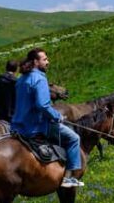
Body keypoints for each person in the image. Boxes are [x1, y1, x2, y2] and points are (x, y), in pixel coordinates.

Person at [10, 48, 83, 188]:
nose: (48, 62)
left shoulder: (20, 79)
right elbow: (43, 106)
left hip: (17, 126)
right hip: (36, 126)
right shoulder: (39, 78)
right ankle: (69, 178)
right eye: (45, 59)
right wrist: (58, 116)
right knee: (74, 138)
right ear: (35, 62)